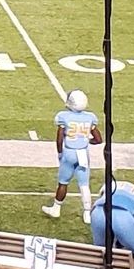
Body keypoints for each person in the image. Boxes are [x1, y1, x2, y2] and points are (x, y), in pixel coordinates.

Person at [43, 88, 99, 218]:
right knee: (84, 184)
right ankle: (87, 213)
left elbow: (59, 138)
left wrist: (59, 153)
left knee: (63, 182)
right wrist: (85, 140)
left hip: (69, 152)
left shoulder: (64, 116)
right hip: (83, 153)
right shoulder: (89, 117)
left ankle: (56, 208)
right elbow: (98, 139)